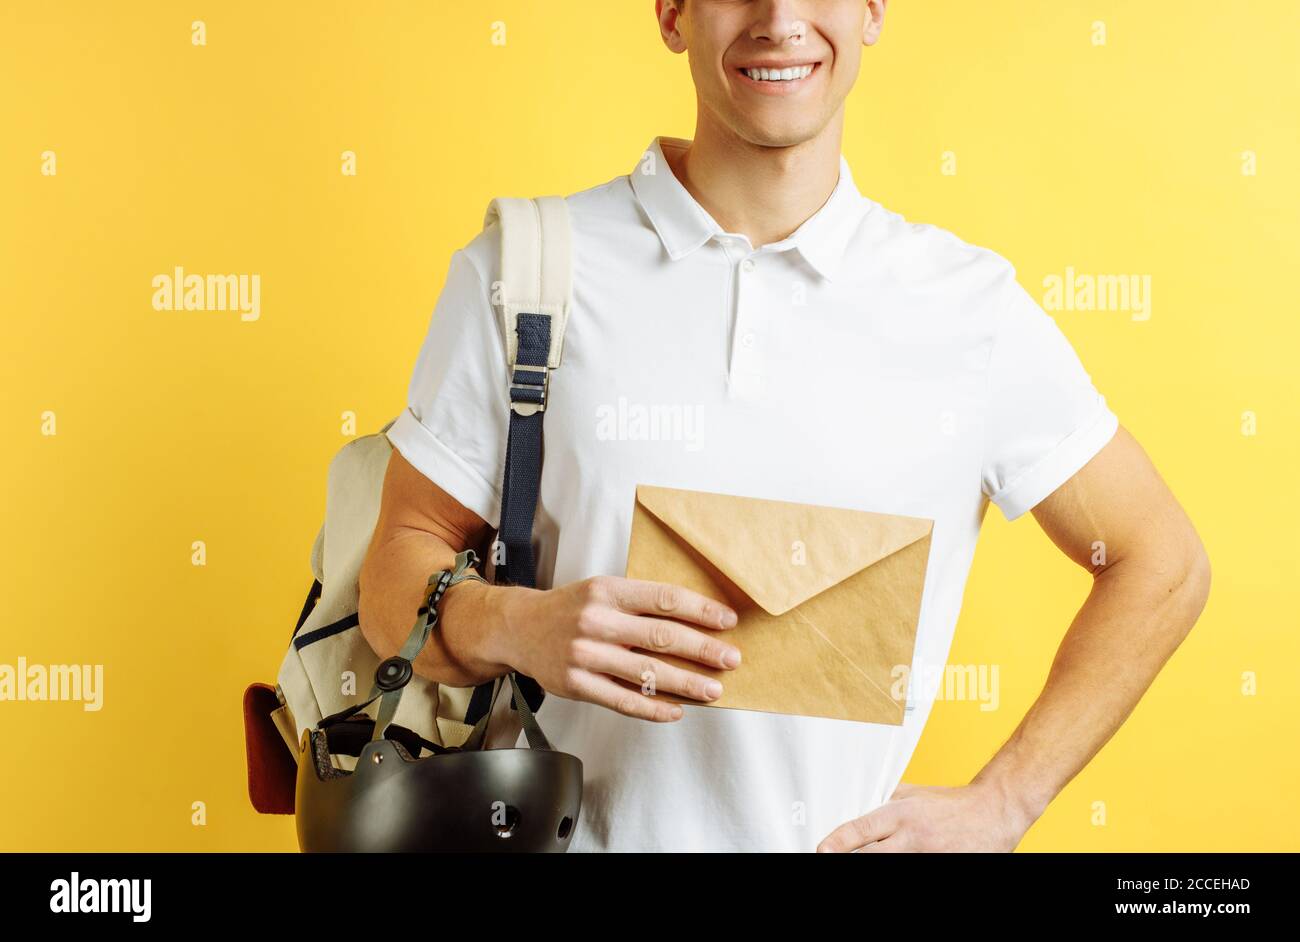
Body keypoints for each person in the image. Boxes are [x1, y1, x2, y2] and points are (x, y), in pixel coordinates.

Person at [358, 0, 1211, 852]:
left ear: (873, 11)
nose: (780, 18)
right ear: (671, 13)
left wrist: (1006, 800)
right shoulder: (529, 268)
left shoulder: (967, 308)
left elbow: (1161, 563)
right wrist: (519, 627)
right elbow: (393, 575)